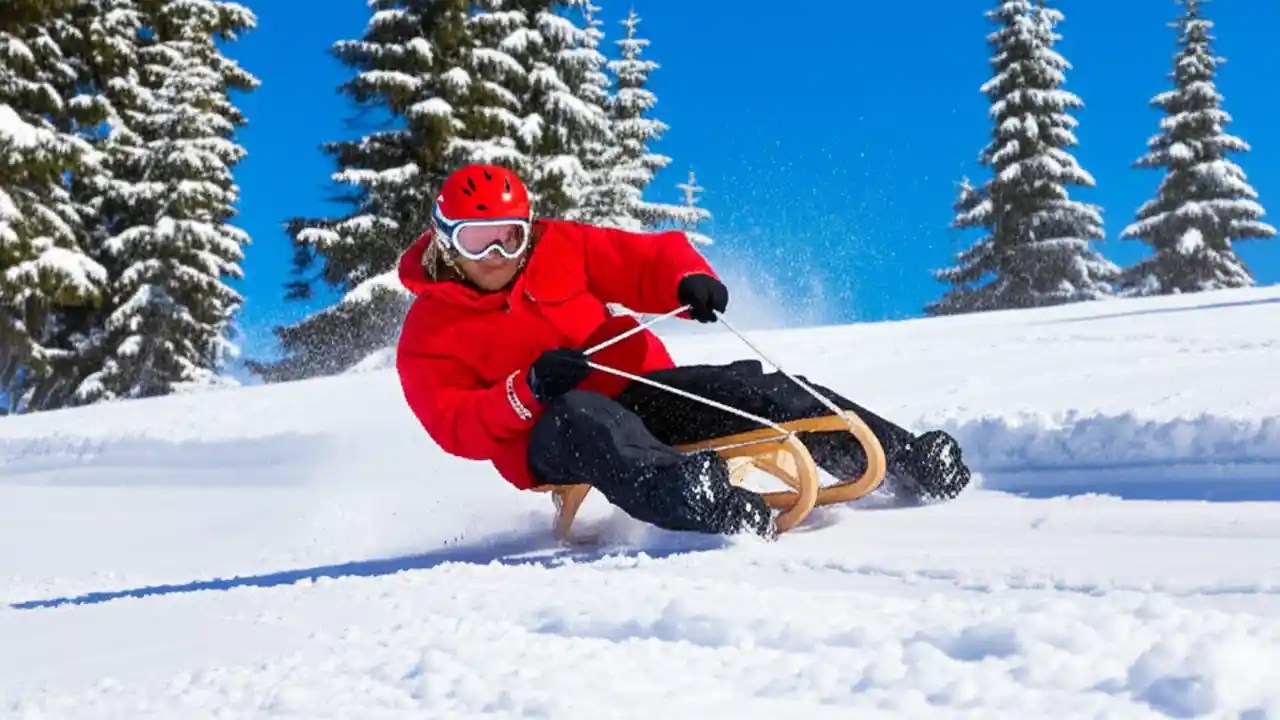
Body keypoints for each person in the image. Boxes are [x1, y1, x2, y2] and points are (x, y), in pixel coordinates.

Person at [395, 163, 970, 539]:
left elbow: (643, 259)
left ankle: (907, 458)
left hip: (638, 389)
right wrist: (529, 391)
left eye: (510, 236)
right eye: (477, 238)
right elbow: (453, 424)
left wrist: (687, 280)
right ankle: (701, 501)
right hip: (549, 436)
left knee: (747, 387)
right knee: (582, 416)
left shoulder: (560, 246)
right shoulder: (428, 333)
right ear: (446, 240)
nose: (496, 252)